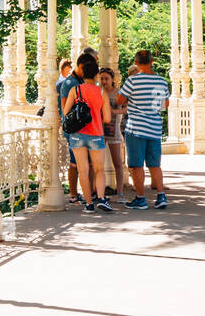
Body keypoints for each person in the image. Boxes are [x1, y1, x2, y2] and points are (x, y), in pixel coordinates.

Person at [116, 48, 170, 209]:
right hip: (154, 127)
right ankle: (161, 196)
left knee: (136, 165)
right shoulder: (161, 81)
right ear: (152, 62)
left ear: (136, 63)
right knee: (154, 164)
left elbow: (120, 99)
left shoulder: (132, 81)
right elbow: (165, 105)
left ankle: (140, 199)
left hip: (136, 128)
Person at [61, 53, 112, 214]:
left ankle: (88, 204)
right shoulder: (101, 92)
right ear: (96, 75)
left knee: (82, 170)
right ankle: (102, 198)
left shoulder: (75, 90)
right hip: (96, 133)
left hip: (77, 135)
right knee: (99, 169)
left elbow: (65, 111)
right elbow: (108, 118)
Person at [58, 56, 83, 204]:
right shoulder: (68, 83)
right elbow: (64, 108)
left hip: (84, 128)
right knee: (74, 163)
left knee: (86, 163)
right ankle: (73, 194)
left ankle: (88, 193)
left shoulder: (82, 81)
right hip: (73, 128)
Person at [98, 67, 125, 201]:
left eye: (106, 78)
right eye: (101, 78)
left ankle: (120, 193)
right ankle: (99, 192)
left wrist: (114, 112)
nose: (104, 81)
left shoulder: (118, 93)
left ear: (112, 79)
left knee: (118, 163)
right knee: (99, 163)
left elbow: (127, 108)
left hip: (114, 129)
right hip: (99, 130)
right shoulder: (98, 92)